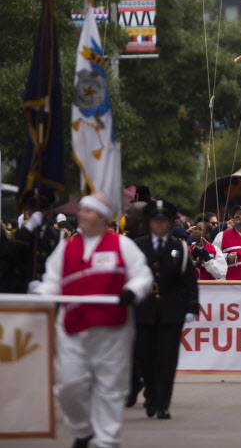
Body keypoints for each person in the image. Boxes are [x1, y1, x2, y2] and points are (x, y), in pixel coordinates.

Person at [35, 192, 153, 448]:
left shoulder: (122, 245)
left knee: (110, 387)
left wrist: (132, 291)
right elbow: (51, 282)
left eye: (87, 211)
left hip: (113, 327)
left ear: (101, 217)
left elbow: (142, 275)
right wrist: (40, 300)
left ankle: (106, 440)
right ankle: (83, 430)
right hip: (73, 327)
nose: (81, 216)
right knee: (69, 385)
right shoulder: (66, 248)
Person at [131, 200, 198, 420]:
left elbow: (189, 281)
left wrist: (191, 307)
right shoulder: (137, 247)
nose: (160, 225)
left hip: (171, 312)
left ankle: (163, 404)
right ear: (149, 223)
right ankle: (151, 393)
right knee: (145, 358)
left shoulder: (179, 248)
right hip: (145, 311)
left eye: (164, 221)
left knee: (167, 359)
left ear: (170, 223)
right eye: (156, 221)